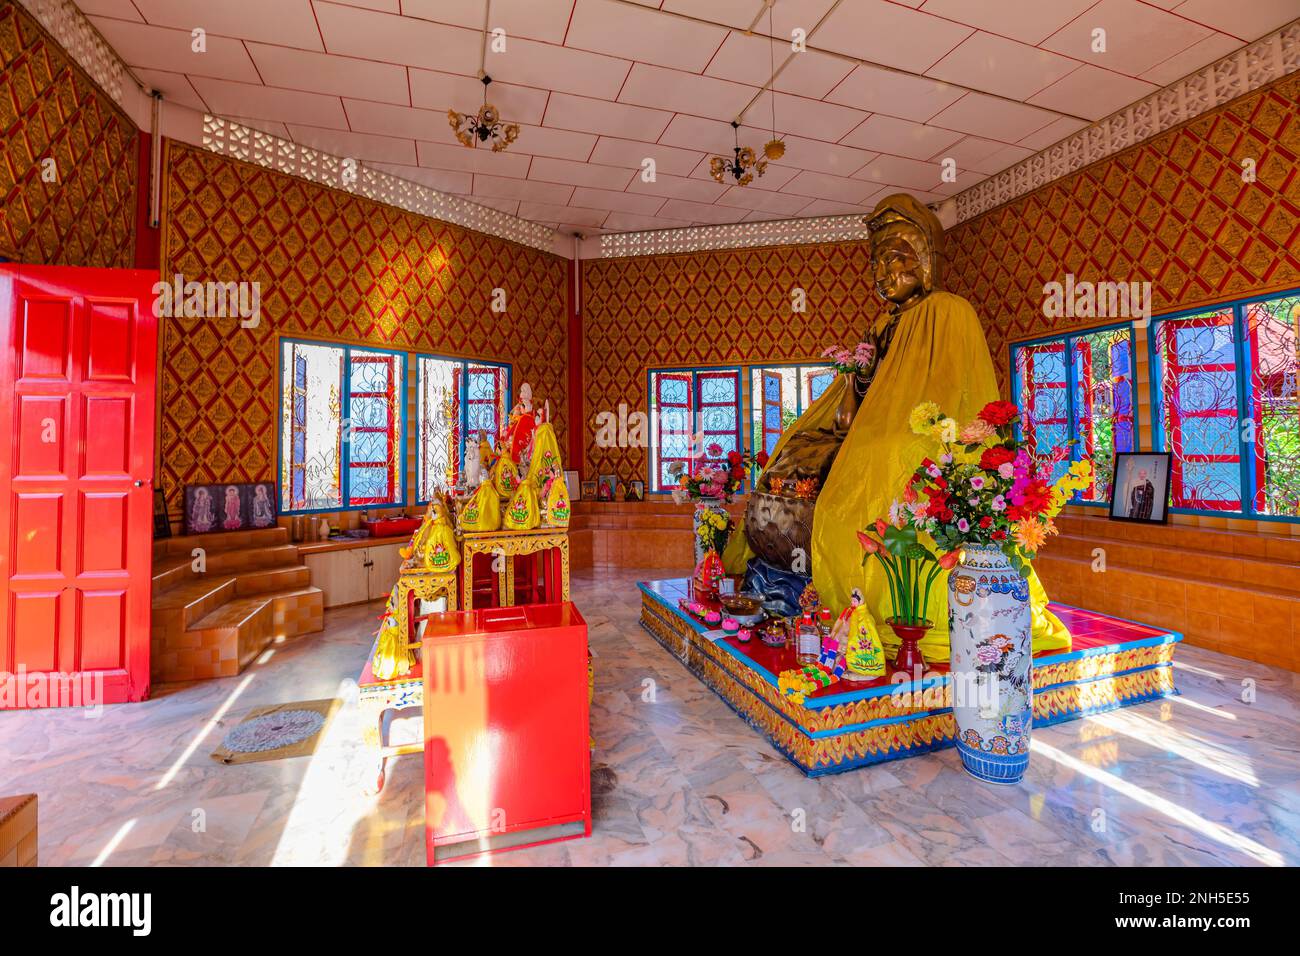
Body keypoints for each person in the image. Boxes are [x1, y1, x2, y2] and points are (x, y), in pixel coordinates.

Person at [726, 193, 1071, 663]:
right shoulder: (881, 324)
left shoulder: (948, 310)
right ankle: (791, 567)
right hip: (873, 424)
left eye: (895, 259)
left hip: (926, 429)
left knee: (882, 450)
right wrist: (855, 378)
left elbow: (948, 389)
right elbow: (854, 411)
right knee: (799, 441)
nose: (883, 273)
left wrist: (893, 423)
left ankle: (873, 592)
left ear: (925, 261)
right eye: (876, 264)